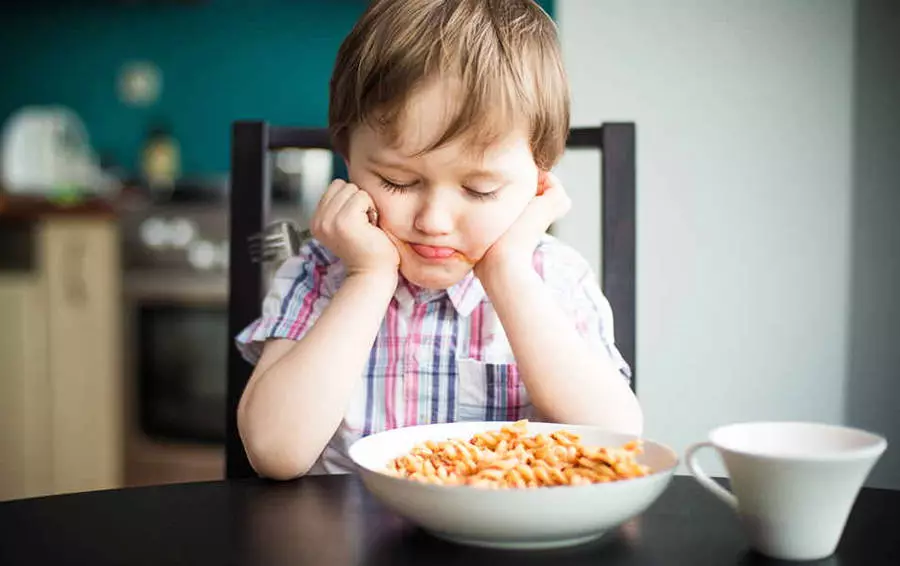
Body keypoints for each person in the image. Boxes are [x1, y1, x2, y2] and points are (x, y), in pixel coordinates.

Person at [234, 0, 642, 480]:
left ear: (538, 181)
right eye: (397, 182)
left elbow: (619, 442)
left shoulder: (555, 279)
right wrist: (368, 277)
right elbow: (274, 452)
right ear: (346, 157)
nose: (433, 220)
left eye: (479, 189)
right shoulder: (320, 272)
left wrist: (508, 271)